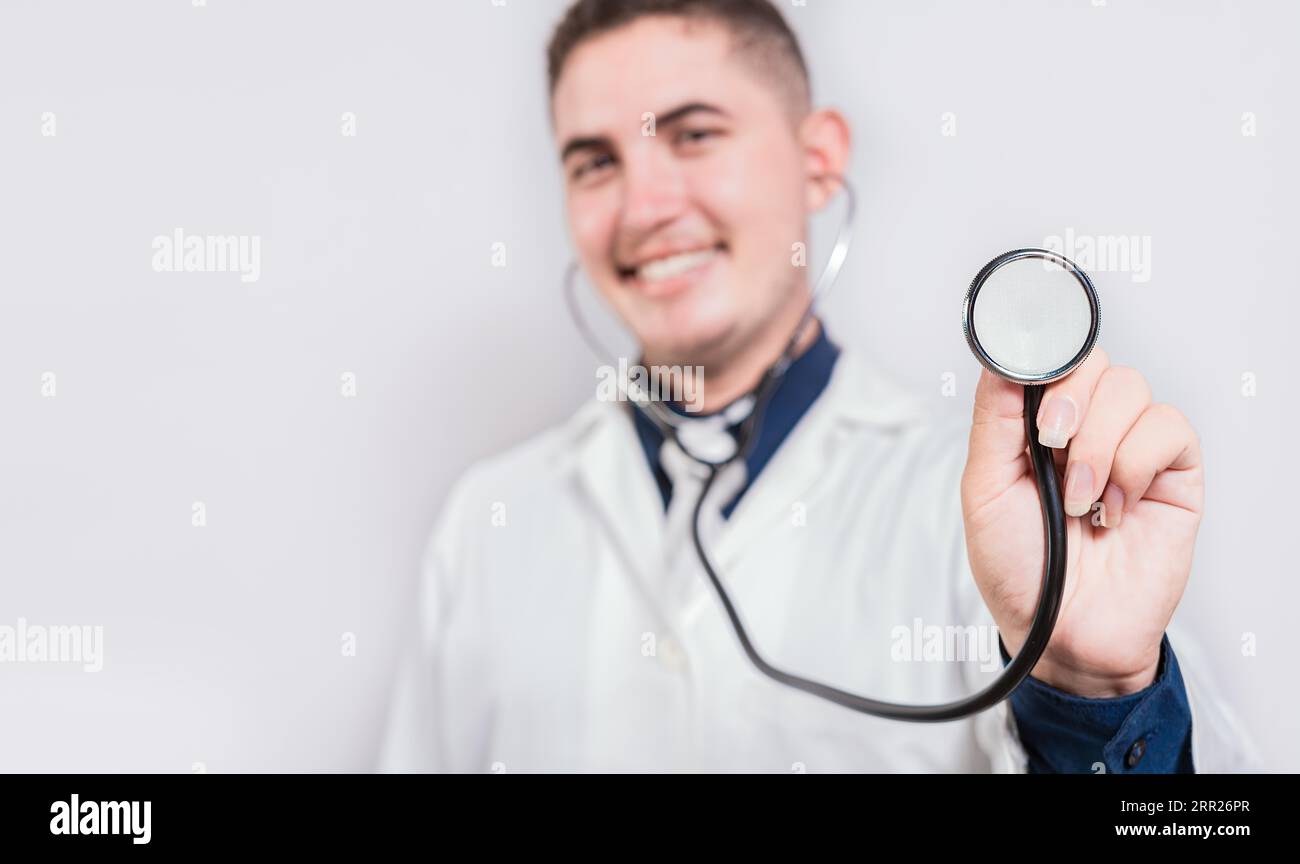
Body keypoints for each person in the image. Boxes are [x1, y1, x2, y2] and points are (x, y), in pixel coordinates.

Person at [380, 0, 1257, 772]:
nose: (644, 206)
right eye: (594, 162)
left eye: (692, 134)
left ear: (818, 159)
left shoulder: (1021, 512)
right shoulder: (488, 522)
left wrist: (1091, 691)